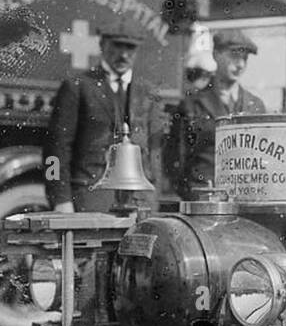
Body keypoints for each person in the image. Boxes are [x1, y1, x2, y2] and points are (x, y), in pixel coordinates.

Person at [45, 31, 165, 213]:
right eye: (117, 46)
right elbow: (55, 148)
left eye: (130, 48)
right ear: (102, 45)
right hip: (91, 197)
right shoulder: (78, 86)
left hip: (140, 201)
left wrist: (153, 196)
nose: (123, 55)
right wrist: (60, 198)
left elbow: (155, 150)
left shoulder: (149, 92)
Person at [172, 30, 267, 200]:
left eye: (244, 59)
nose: (240, 65)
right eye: (234, 57)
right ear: (216, 55)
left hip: (244, 198)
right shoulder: (191, 104)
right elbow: (177, 160)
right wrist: (193, 192)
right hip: (203, 198)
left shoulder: (256, 106)